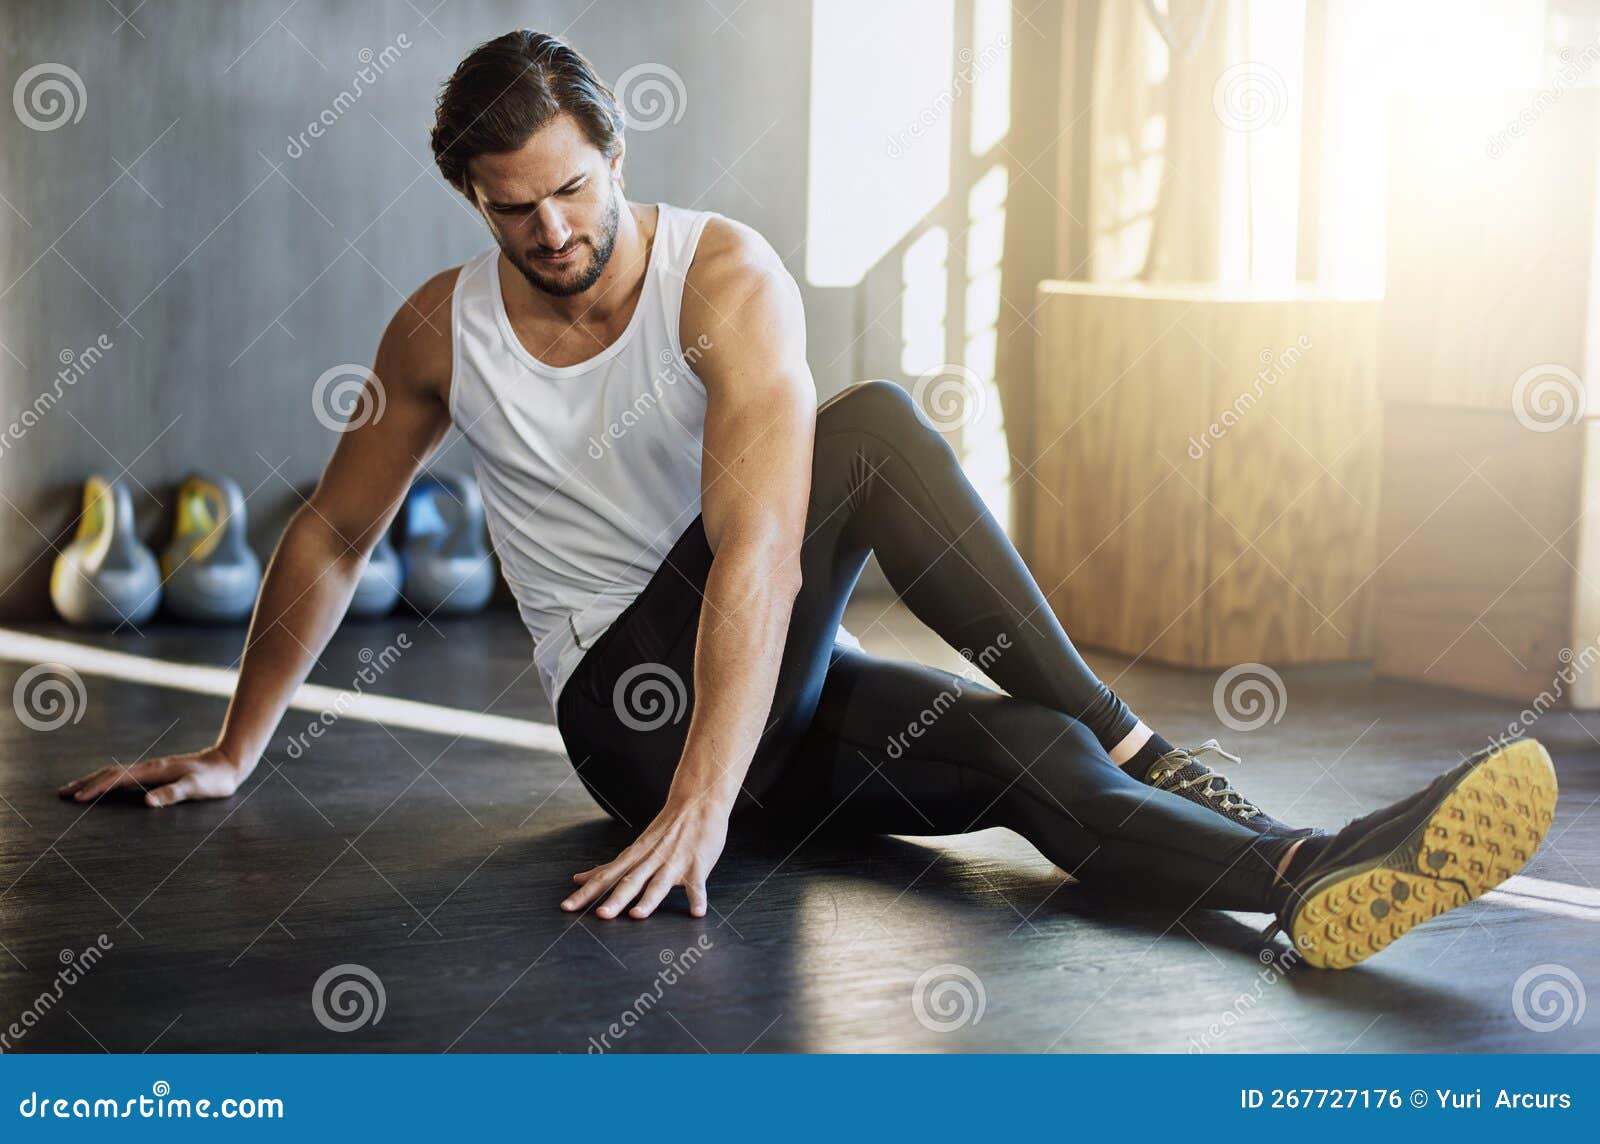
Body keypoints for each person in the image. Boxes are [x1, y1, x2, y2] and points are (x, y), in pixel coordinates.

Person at [58, 31, 1558, 970]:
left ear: (613, 152)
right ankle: (1132, 729)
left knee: (1030, 758)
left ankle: (1301, 873)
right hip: (628, 716)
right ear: (472, 198)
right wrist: (236, 748)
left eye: (574, 188)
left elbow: (765, 550)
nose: (556, 229)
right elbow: (329, 532)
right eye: (515, 208)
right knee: (882, 433)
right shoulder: (440, 330)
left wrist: (724, 795)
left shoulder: (722, 277)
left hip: (761, 693)